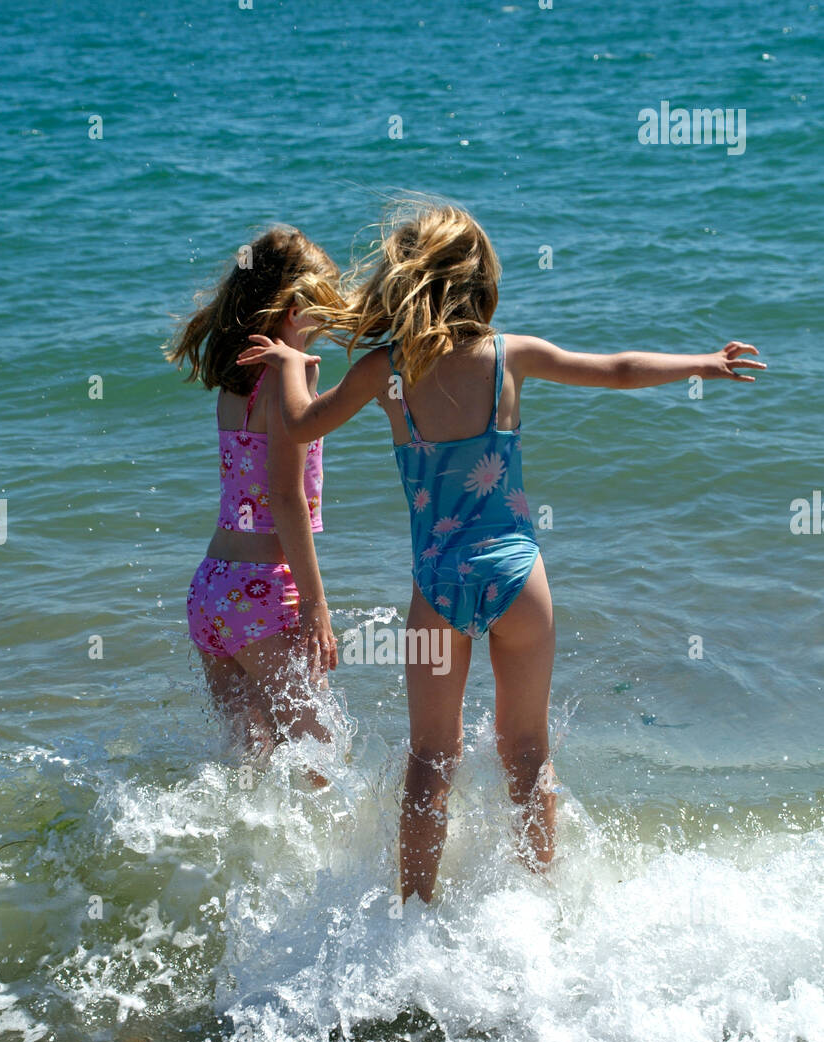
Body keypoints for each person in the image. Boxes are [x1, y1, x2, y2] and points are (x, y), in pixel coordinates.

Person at [237, 199, 766, 899]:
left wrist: (288, 361)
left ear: (407, 281)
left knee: (431, 756)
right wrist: (701, 363)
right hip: (520, 578)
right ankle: (539, 903)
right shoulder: (509, 357)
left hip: (438, 585)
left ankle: (415, 911)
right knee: (527, 752)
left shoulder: (382, 370)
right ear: (480, 281)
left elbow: (301, 424)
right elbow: (615, 368)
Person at [166, 225, 342, 762]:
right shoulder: (291, 385)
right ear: (295, 310)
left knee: (251, 765)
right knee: (323, 760)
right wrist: (315, 604)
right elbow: (285, 498)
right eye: (324, 307)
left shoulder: (235, 382)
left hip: (213, 589)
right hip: (263, 592)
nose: (329, 322)